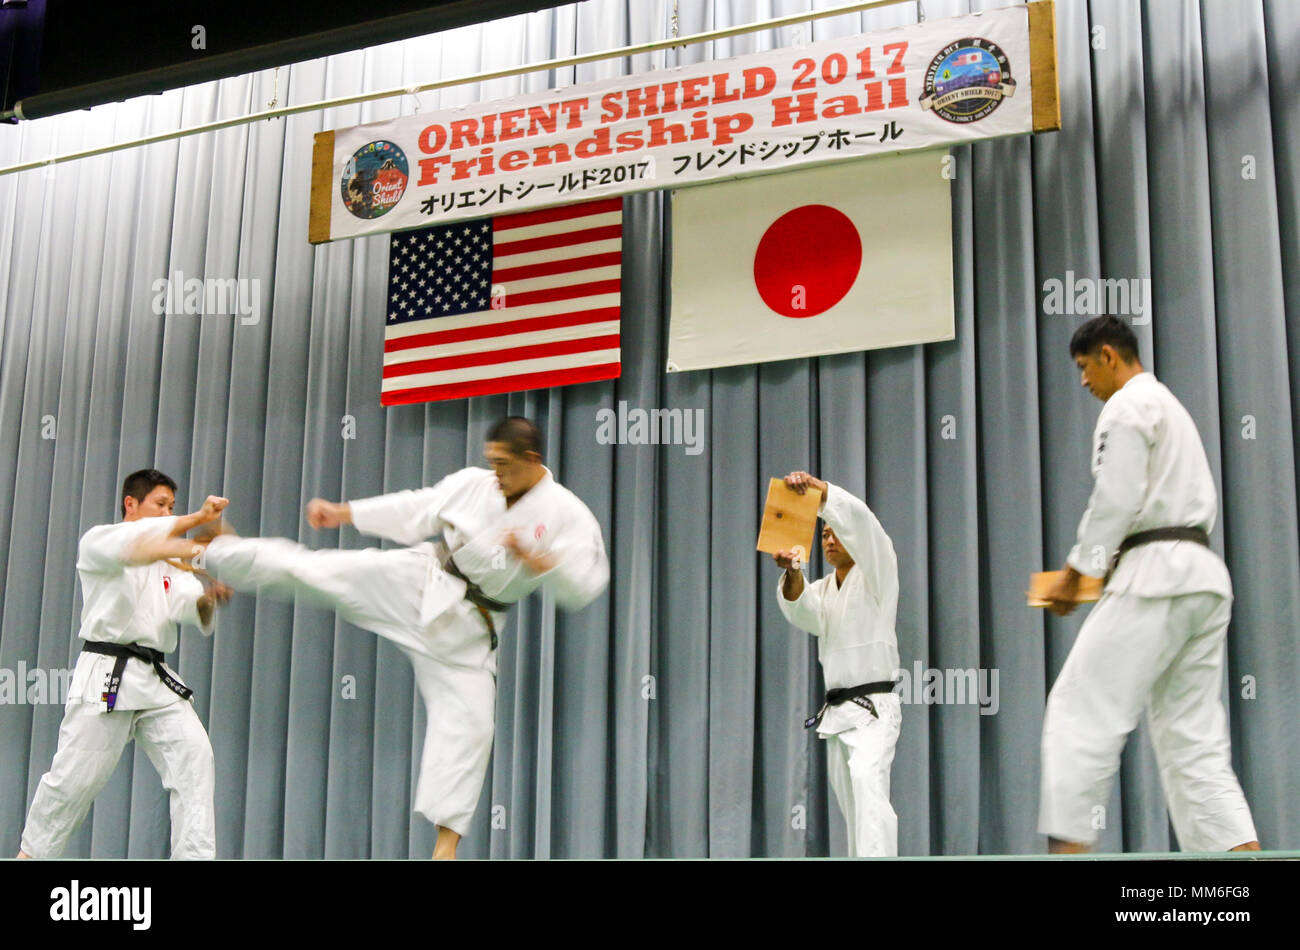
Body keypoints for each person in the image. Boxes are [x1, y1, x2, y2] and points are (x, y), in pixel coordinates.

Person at [197, 416, 609, 859]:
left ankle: (444, 849)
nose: (497, 474)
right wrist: (345, 512)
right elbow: (418, 507)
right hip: (419, 581)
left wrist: (541, 561)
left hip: (471, 630)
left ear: (532, 459)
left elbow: (587, 583)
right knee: (314, 571)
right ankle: (210, 548)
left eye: (504, 464)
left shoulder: (567, 514)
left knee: (472, 723)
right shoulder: (475, 484)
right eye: (492, 463)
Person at [1040, 315, 1260, 853]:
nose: (1084, 382)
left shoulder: (1128, 405)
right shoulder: (1171, 407)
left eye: (1085, 368)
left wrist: (1078, 572)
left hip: (1157, 575)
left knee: (1078, 712)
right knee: (1195, 748)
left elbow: (1117, 497)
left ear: (1109, 356)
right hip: (1202, 579)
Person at [17, 470, 232, 859]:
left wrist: (207, 599)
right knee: (74, 780)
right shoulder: (100, 541)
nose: (168, 513)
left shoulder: (169, 562)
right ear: (131, 503)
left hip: (155, 680)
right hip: (107, 677)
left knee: (194, 758)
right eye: (160, 505)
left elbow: (185, 602)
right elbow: (139, 547)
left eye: (172, 507)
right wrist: (198, 522)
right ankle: (31, 856)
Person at [772, 471, 902, 857]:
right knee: (854, 812)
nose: (828, 539)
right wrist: (792, 571)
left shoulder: (879, 572)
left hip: (874, 709)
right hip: (838, 712)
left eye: (835, 532)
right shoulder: (825, 590)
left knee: (869, 792)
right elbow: (801, 610)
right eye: (823, 534)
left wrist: (822, 493)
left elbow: (864, 524)